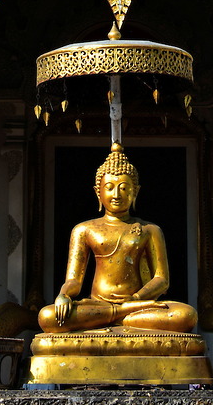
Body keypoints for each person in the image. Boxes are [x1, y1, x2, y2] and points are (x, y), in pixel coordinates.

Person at [37, 142, 196, 333]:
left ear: (135, 192)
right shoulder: (84, 229)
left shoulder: (149, 229)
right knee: (48, 316)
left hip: (138, 306)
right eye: (109, 187)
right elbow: (74, 280)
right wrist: (63, 295)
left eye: (123, 188)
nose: (116, 194)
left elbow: (161, 279)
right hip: (98, 305)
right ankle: (119, 314)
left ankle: (116, 316)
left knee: (186, 315)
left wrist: (136, 299)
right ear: (98, 191)